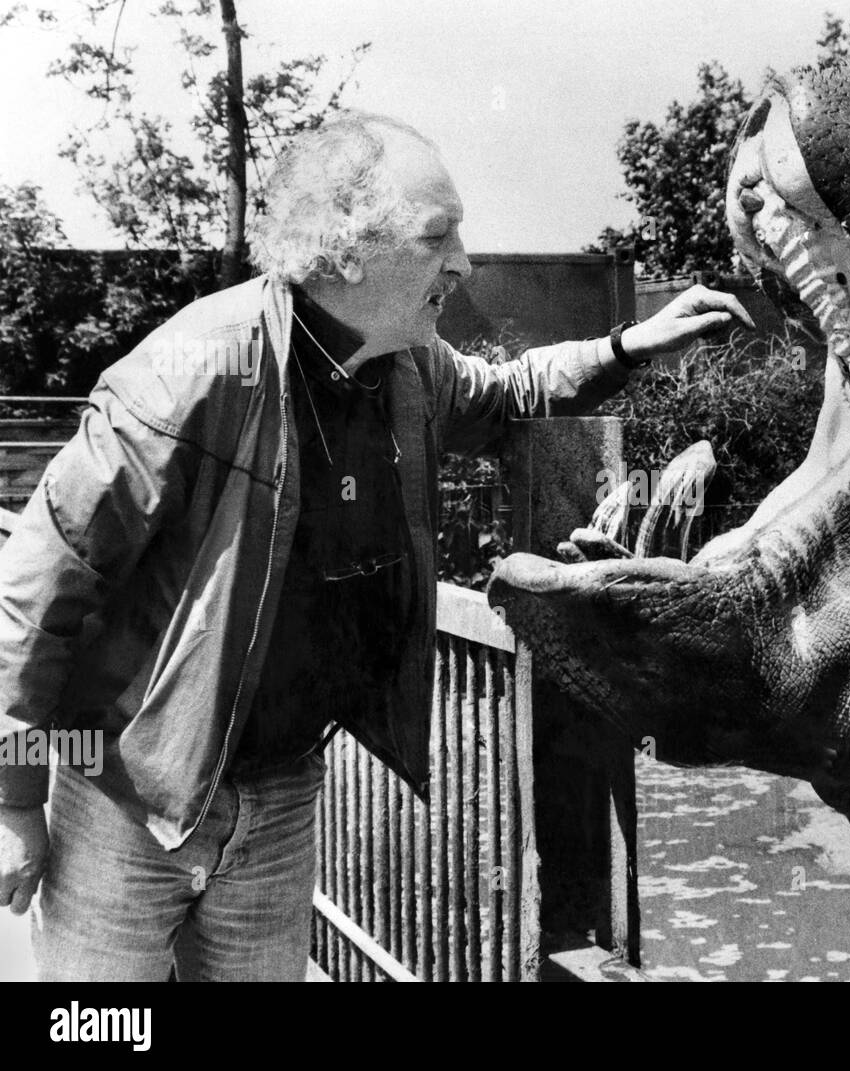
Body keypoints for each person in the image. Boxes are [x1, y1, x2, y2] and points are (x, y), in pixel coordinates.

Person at [0, 110, 752, 981]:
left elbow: (507, 394)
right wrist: (14, 802)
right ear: (344, 249)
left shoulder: (408, 365)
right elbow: (33, 593)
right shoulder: (192, 371)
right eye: (439, 235)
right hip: (126, 801)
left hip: (281, 794)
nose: (464, 262)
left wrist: (629, 344)